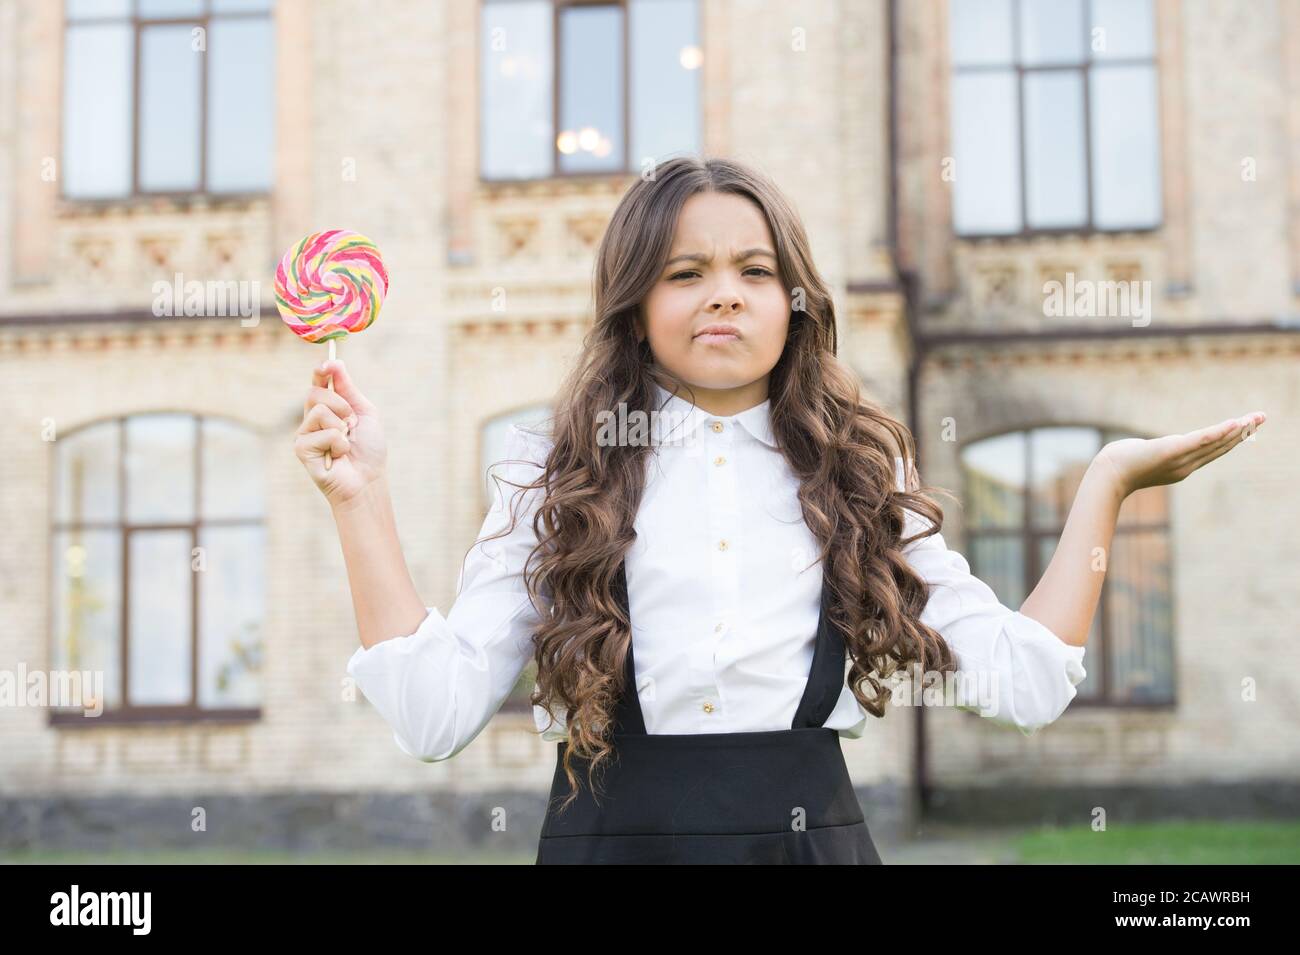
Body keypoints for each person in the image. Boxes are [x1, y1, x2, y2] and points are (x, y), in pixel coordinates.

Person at [295, 156, 1267, 864]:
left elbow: (1024, 685)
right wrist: (360, 498)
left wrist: (1103, 487)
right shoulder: (552, 471)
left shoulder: (858, 474)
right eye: (684, 273)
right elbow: (434, 714)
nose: (723, 296)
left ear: (794, 299)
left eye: (754, 271)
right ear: (633, 304)